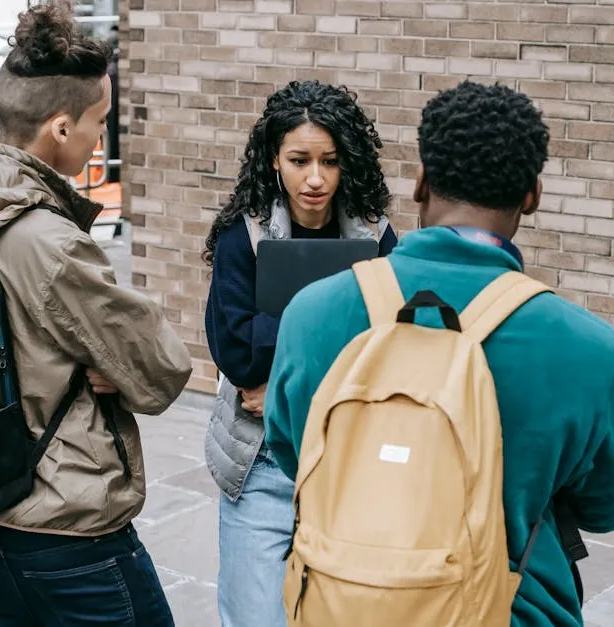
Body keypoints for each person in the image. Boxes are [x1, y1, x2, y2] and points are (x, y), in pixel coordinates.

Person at [264, 80, 614, 625]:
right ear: (532, 196)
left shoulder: (313, 313)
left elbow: (294, 454)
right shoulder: (588, 348)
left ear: (420, 182)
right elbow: (607, 507)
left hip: (340, 605)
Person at [0, 4, 192, 625]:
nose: (101, 137)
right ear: (61, 128)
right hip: (72, 531)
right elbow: (162, 370)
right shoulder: (52, 244)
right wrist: (110, 366)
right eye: (98, 121)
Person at [202, 80, 398, 627]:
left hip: (346, 456)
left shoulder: (376, 236)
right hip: (261, 458)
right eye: (299, 160)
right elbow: (238, 354)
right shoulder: (242, 237)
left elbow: (391, 342)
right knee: (254, 615)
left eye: (330, 161)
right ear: (274, 160)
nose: (315, 178)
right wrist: (341, 326)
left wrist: (290, 374)